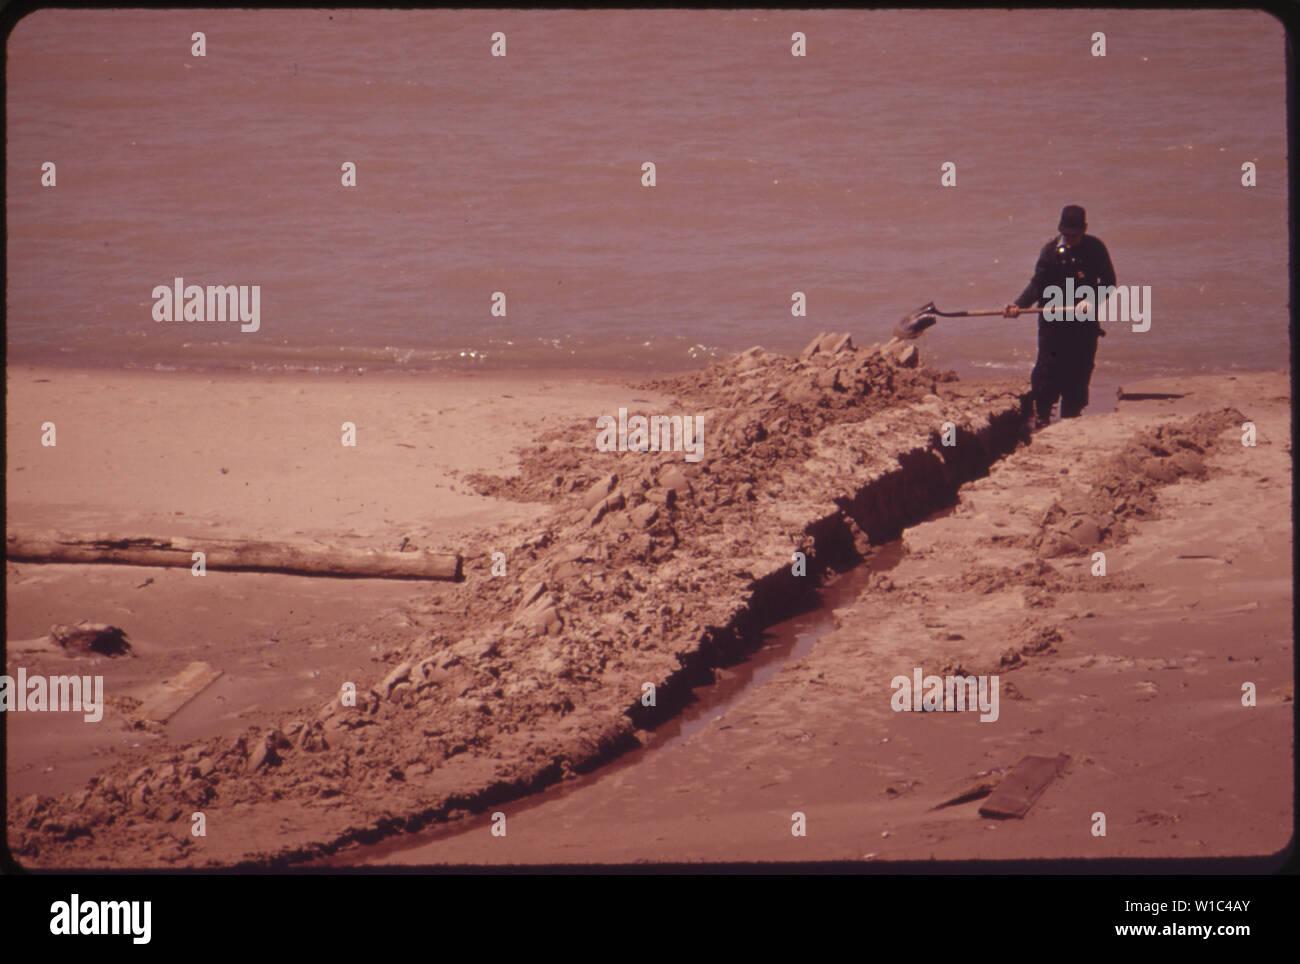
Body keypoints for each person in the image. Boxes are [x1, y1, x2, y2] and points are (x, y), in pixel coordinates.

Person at [1004, 205, 1115, 428]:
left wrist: (1091, 301)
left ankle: (1071, 420)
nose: (1071, 239)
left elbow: (1109, 282)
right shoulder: (1050, 252)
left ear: (1084, 229)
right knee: (1047, 370)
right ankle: (1043, 416)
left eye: (1076, 235)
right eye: (1067, 235)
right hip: (1052, 322)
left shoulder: (1095, 248)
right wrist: (1018, 306)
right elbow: (1037, 285)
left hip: (1084, 323)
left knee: (1079, 370)